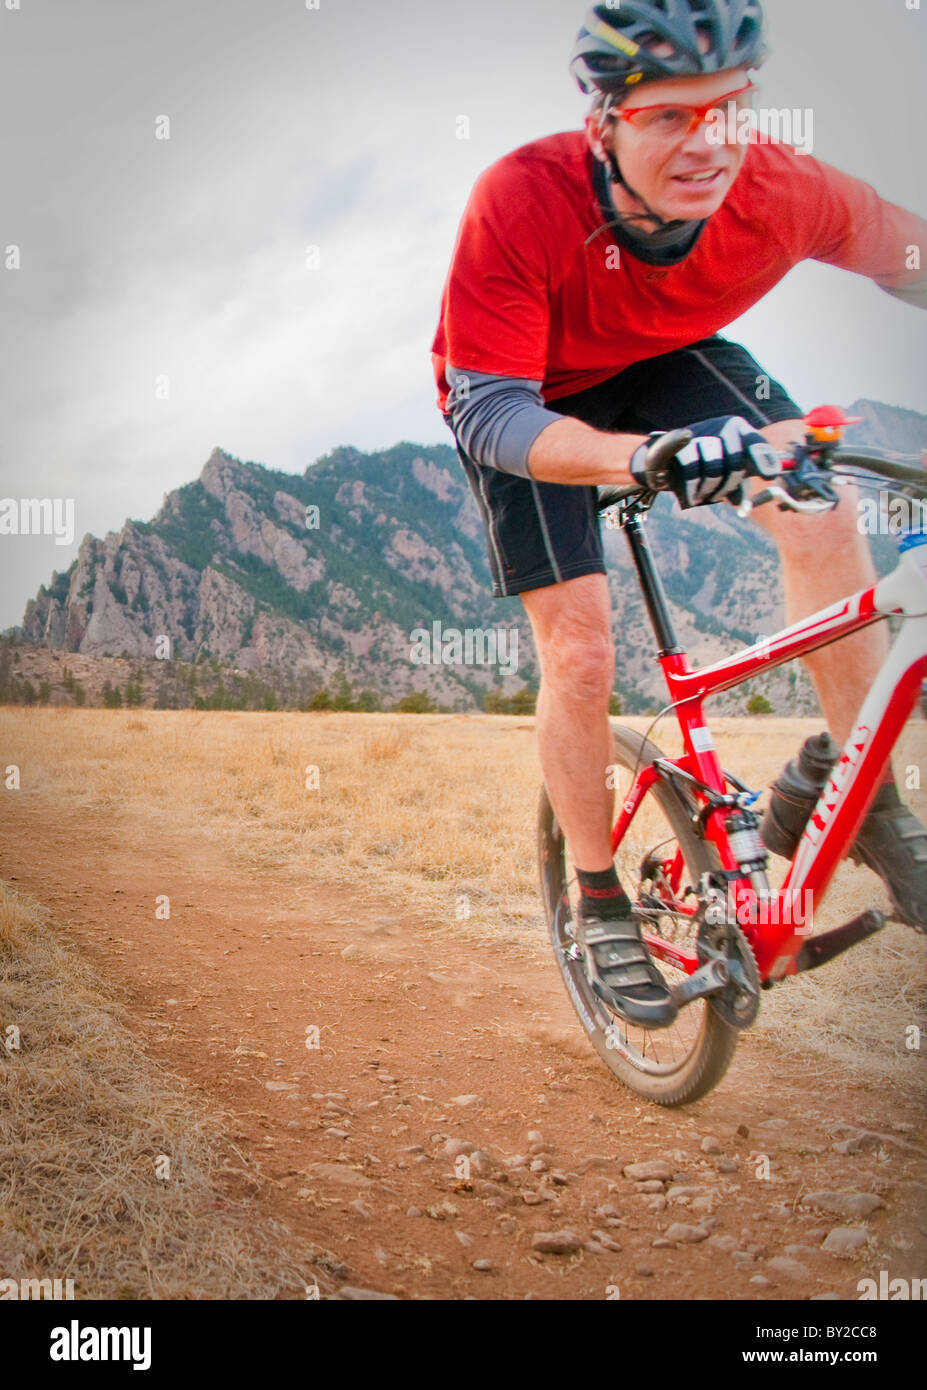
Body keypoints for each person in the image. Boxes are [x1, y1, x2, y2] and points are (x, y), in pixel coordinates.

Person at [431, 0, 927, 1029]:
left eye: (730, 110)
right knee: (578, 653)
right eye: (668, 118)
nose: (709, 146)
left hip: (666, 359)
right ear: (603, 124)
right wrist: (637, 457)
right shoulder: (523, 198)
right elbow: (489, 407)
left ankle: (859, 800)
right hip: (532, 403)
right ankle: (598, 895)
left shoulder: (786, 188)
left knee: (822, 510)